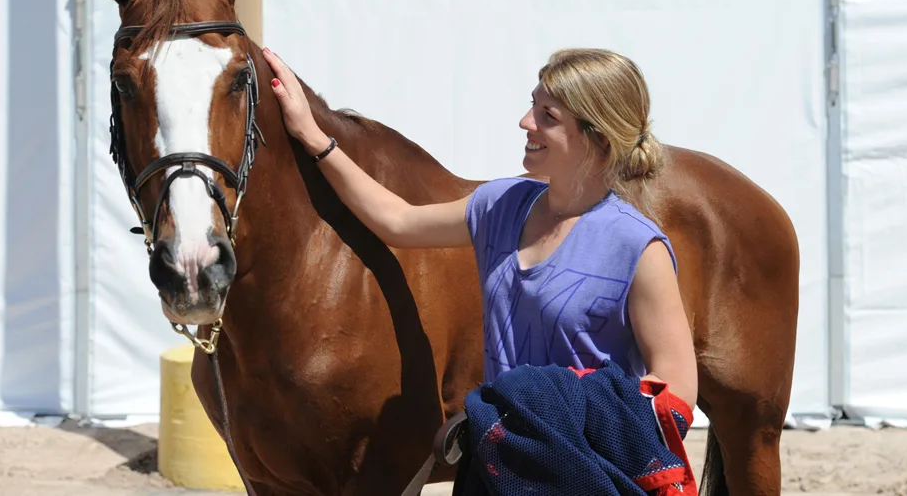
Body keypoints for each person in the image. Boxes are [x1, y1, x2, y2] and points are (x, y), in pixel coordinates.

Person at [260, 46, 697, 410]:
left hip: (587, 473)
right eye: (532, 106)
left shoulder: (638, 247)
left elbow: (677, 392)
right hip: (504, 462)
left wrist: (572, 426)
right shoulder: (501, 205)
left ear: (598, 137)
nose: (527, 122)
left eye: (548, 115)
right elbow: (397, 221)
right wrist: (314, 137)